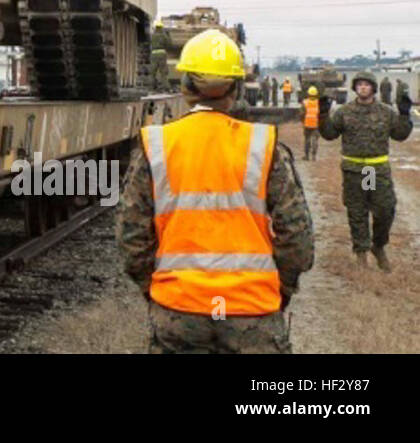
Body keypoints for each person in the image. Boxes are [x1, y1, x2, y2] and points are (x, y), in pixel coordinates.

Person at [117, 29, 314, 353]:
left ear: (185, 87)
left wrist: (154, 290)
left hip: (179, 307)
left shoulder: (158, 145)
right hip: (253, 310)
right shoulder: (262, 146)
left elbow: (131, 237)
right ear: (235, 89)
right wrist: (283, 288)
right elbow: (297, 236)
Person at [319, 70, 413, 271]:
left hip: (375, 171)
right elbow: (329, 134)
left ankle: (378, 246)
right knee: (357, 212)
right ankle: (361, 253)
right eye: (359, 84)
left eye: (366, 84)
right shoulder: (345, 112)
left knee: (384, 210)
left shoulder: (385, 112)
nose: (363, 87)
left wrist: (405, 115)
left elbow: (400, 135)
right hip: (355, 171)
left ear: (373, 88)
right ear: (355, 88)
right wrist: (323, 115)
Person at [302, 86, 320, 161]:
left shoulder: (305, 102)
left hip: (307, 124)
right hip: (316, 124)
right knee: (315, 140)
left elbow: (301, 113)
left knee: (307, 140)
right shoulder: (319, 103)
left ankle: (306, 156)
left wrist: (303, 121)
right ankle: (314, 156)